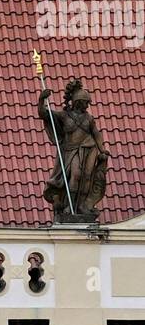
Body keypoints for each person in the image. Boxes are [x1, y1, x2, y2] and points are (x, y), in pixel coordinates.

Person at [38, 79, 109, 221]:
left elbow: (96, 134)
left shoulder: (88, 118)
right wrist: (42, 99)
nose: (87, 105)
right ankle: (70, 207)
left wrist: (102, 150)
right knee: (75, 175)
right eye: (85, 102)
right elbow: (44, 114)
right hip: (71, 151)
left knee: (87, 176)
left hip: (89, 149)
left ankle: (82, 206)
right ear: (78, 102)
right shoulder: (64, 116)